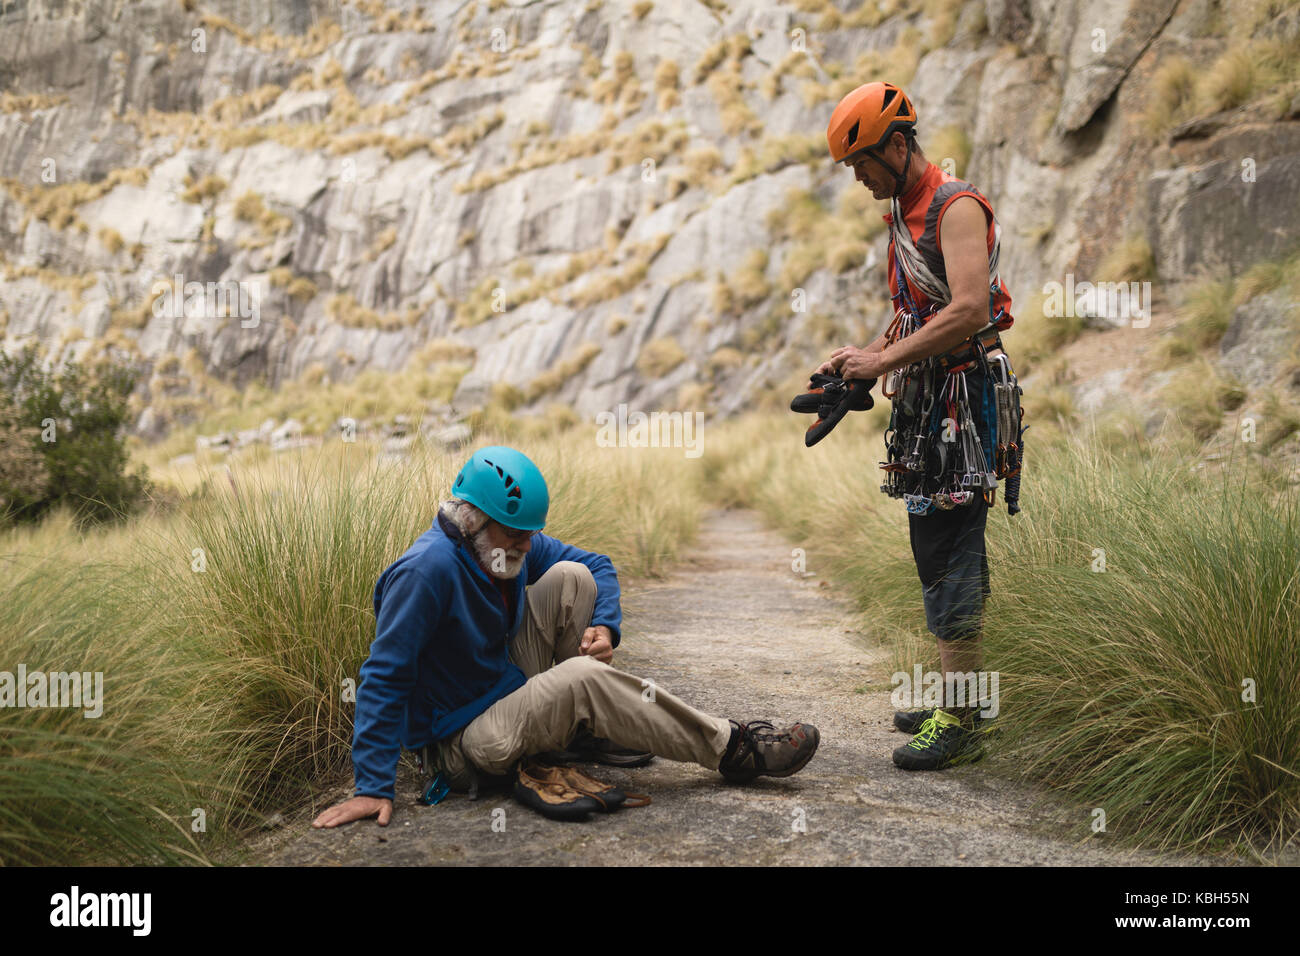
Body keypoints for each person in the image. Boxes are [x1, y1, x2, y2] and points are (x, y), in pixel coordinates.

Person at [312, 446, 820, 827]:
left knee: (574, 576)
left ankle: (582, 734)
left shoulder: (504, 543)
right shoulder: (427, 572)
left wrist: (606, 624)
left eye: (530, 535)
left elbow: (598, 565)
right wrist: (373, 786)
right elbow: (384, 675)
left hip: (498, 689)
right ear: (474, 520)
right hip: (461, 744)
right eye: (516, 537)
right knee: (580, 678)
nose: (526, 547)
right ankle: (733, 748)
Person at [818, 81, 1019, 771]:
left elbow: (966, 311)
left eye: (863, 161)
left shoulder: (953, 208)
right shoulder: (904, 217)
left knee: (951, 550)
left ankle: (960, 718)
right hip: (931, 405)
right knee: (936, 547)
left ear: (899, 145)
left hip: (961, 403)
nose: (859, 176)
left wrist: (883, 360)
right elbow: (914, 315)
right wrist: (861, 360)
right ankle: (958, 694)